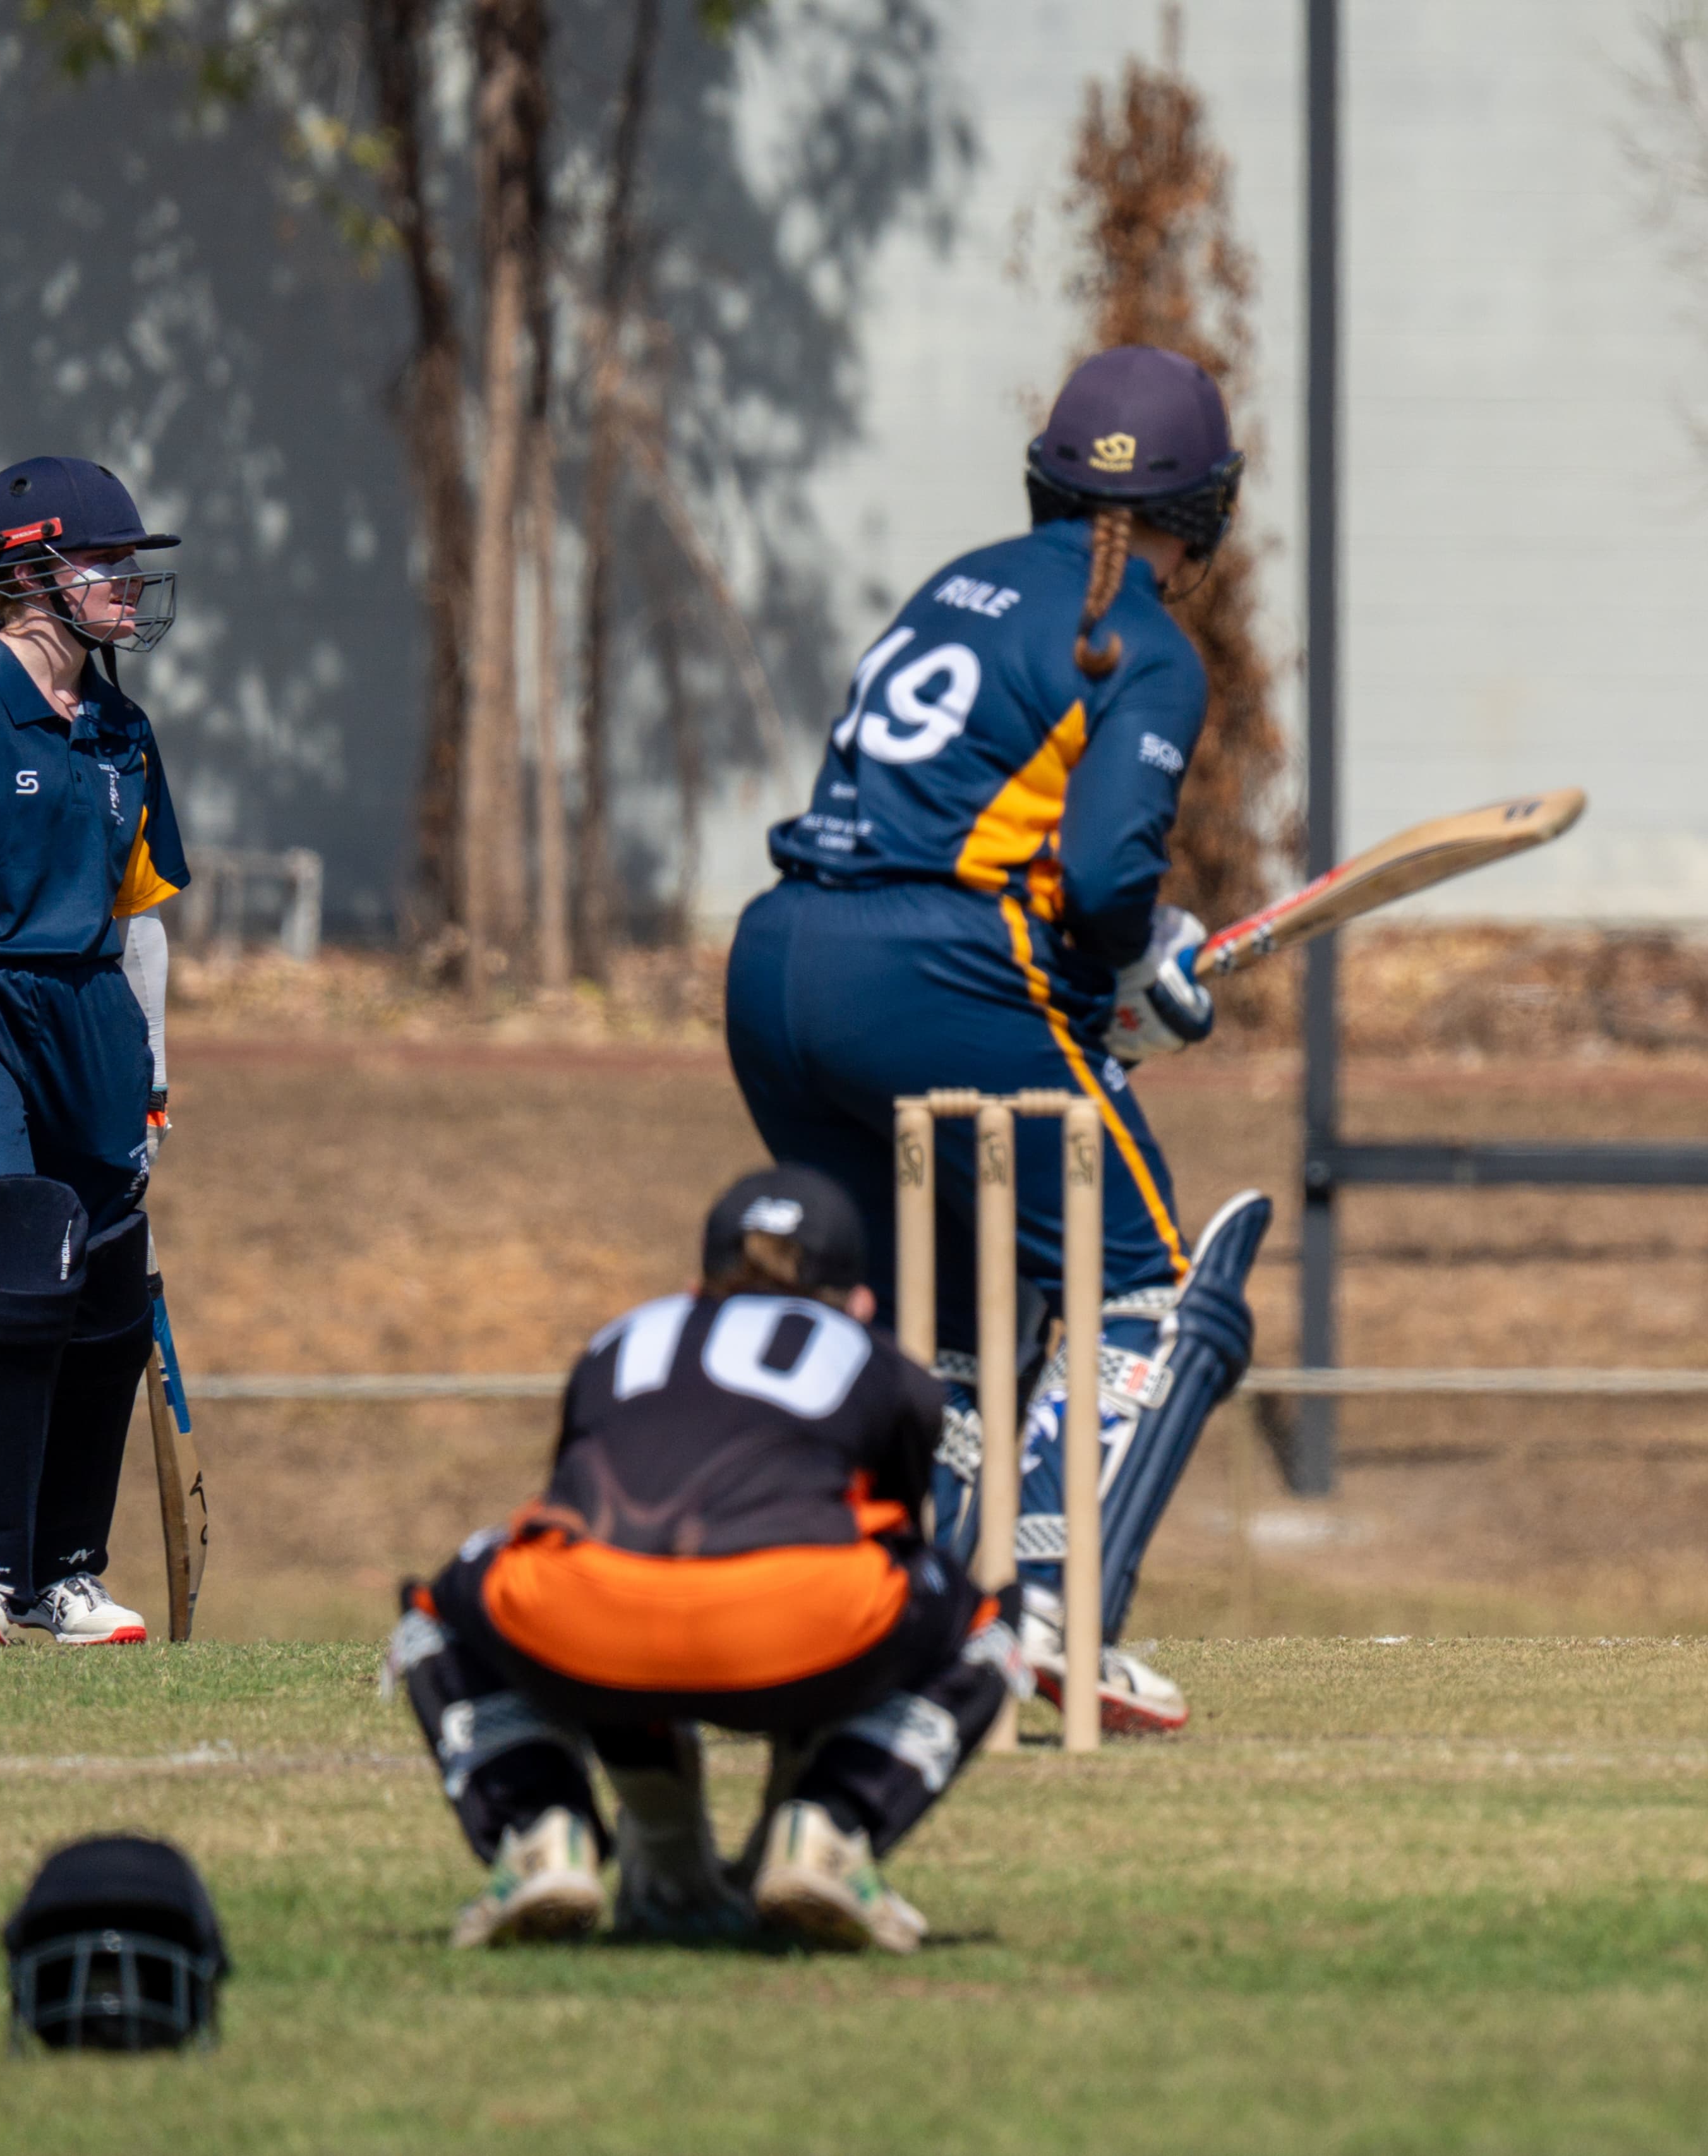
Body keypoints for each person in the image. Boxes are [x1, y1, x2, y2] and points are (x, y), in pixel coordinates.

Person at [726, 347, 1266, 1735]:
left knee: (945, 1318)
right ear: (1201, 513)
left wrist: (1104, 982)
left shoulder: (955, 584)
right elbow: (1093, 886)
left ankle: (882, 1612)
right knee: (1153, 1289)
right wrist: (1141, 962)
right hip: (938, 972)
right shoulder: (1138, 640)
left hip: (780, 961)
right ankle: (1052, 1612)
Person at [387, 1166, 1026, 1953]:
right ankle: (828, 1825)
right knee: (980, 1619)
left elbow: (576, 1510)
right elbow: (890, 1545)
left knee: (444, 1608)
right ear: (859, 1302)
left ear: (696, 1285)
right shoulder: (877, 1355)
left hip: (585, 1625)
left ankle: (539, 1830)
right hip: (800, 1623)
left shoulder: (621, 1336)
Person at [0, 457, 188, 1650]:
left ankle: (65, 1570)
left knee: (107, 1293)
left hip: (91, 1019)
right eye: (105, 562)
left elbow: (139, 919)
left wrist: (156, 1073)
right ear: (27, 574)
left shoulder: (121, 728)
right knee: (11, 1258)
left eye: (132, 564)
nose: (129, 583)